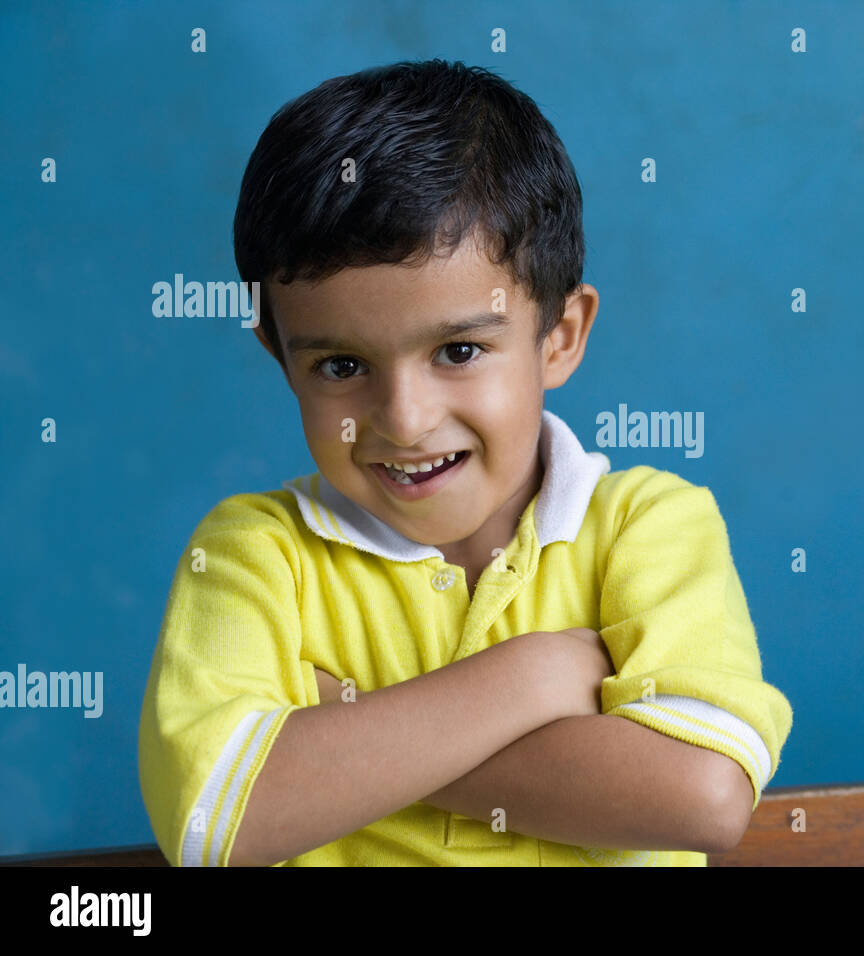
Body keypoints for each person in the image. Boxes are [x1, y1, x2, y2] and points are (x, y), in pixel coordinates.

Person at [138, 59, 793, 866]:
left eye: (458, 350)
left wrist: (351, 725)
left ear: (560, 335)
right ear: (277, 353)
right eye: (341, 367)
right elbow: (213, 821)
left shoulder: (648, 526)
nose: (405, 421)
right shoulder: (254, 554)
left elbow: (701, 796)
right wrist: (526, 680)